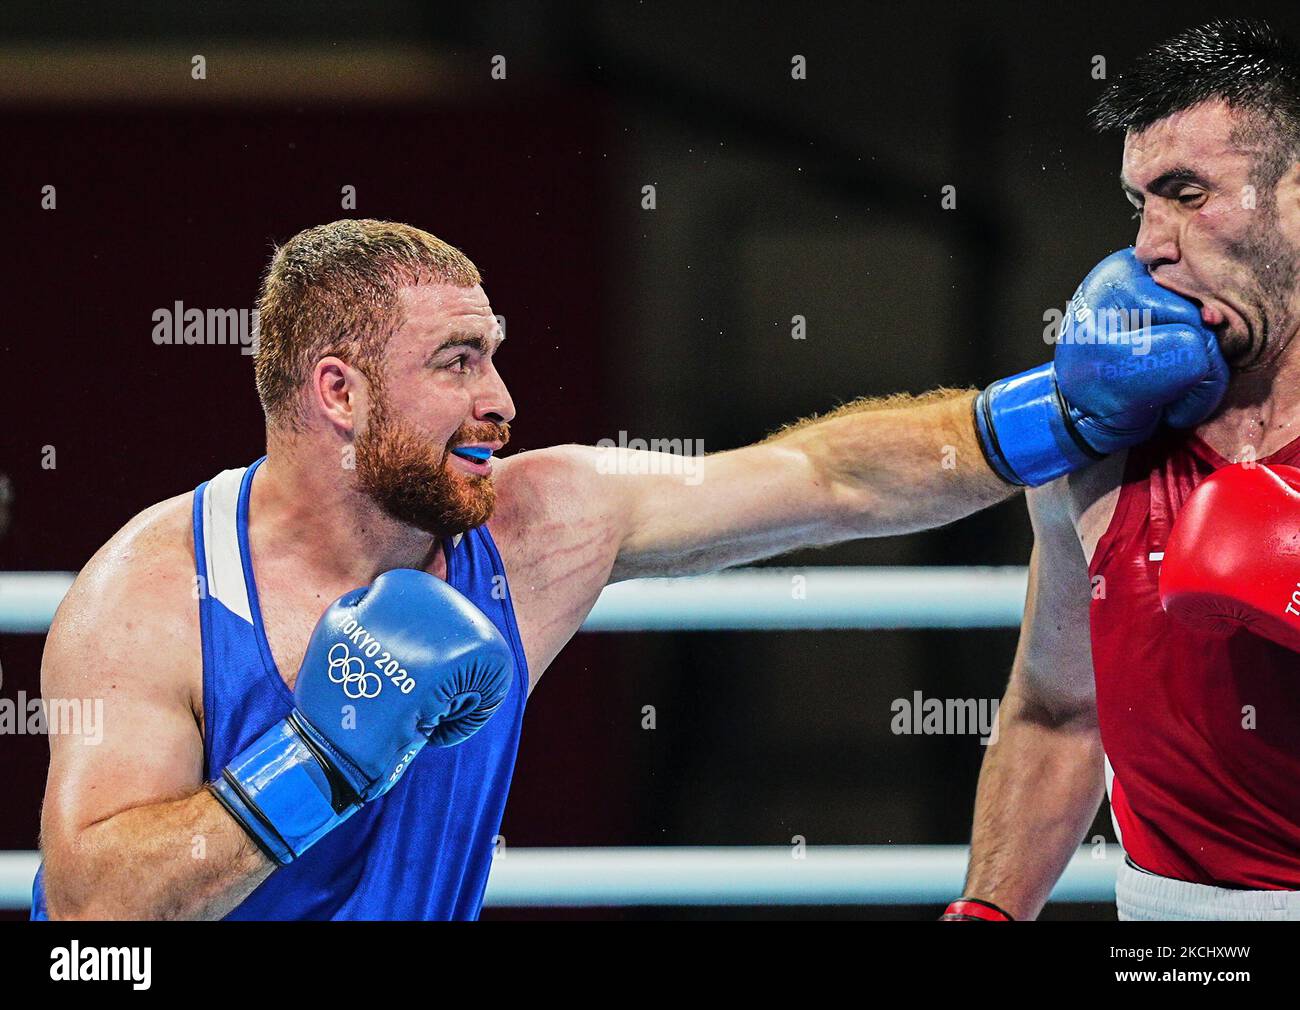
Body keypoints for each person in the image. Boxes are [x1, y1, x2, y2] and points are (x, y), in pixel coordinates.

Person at [34, 211, 1219, 919]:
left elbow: (828, 478)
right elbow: (91, 914)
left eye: (492, 355)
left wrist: (1055, 410)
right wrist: (317, 763)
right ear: (336, 392)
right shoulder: (152, 591)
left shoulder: (536, 523)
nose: (498, 398)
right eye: (455, 360)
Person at [952, 19, 1300, 922]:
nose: (1148, 244)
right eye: (1139, 202)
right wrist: (986, 913)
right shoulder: (1101, 440)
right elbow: (1056, 714)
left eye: (1187, 193)